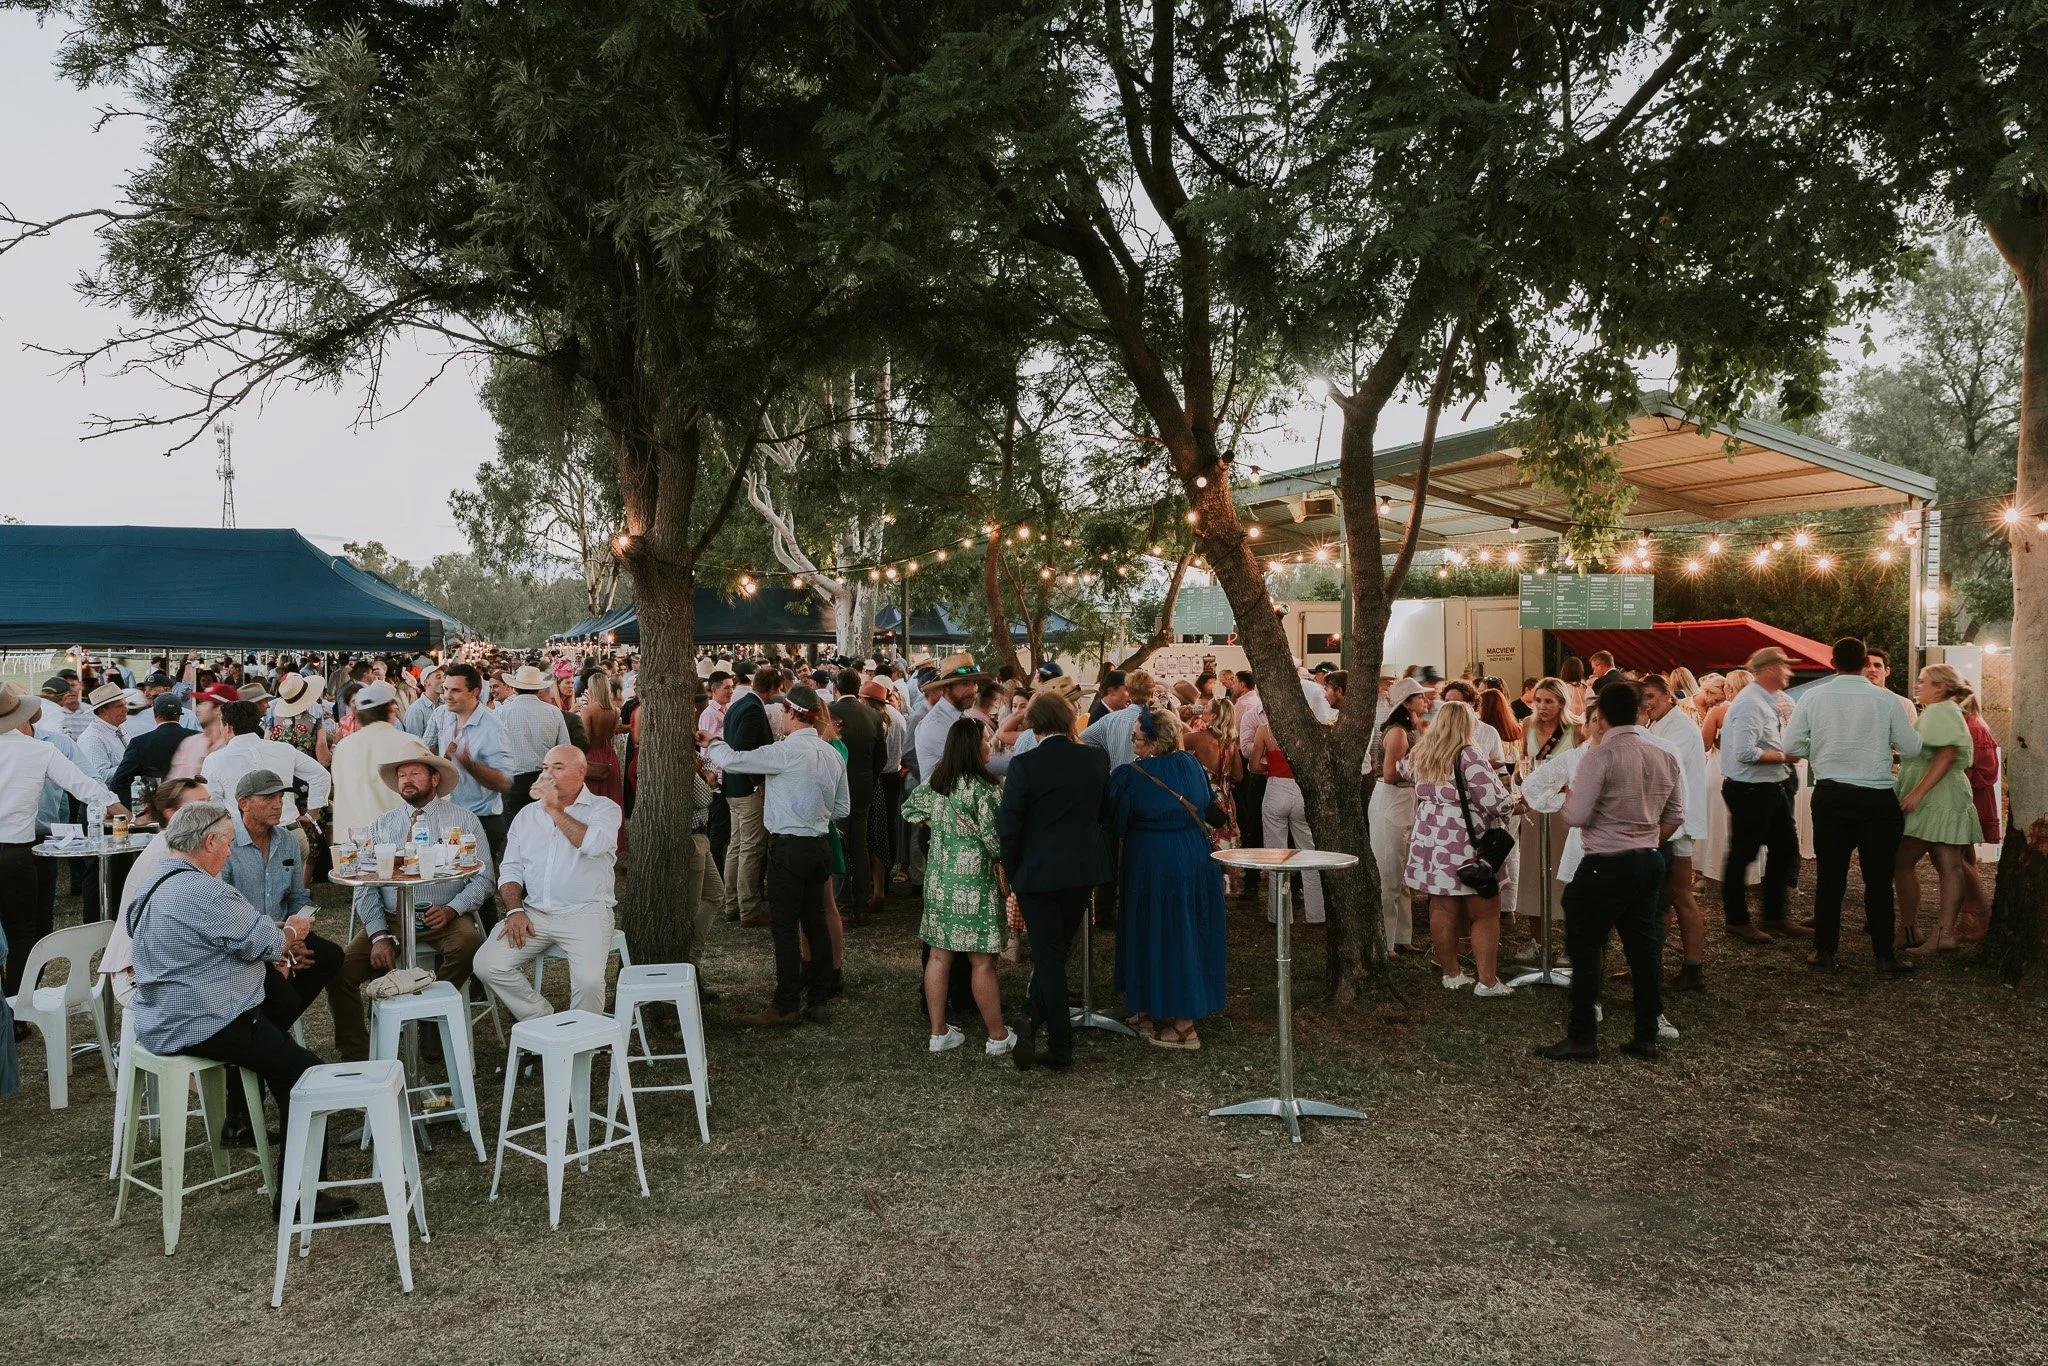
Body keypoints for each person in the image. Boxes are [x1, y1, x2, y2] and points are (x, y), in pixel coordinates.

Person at [125, 802, 350, 1217]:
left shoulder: (154, 881)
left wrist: (270, 939)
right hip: (205, 1020)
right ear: (209, 841)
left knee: (282, 1055)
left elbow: (216, 940)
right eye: (228, 843)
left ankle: (287, 1175)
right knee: (308, 1075)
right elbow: (267, 942)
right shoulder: (204, 891)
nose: (230, 852)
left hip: (159, 1016)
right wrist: (292, 930)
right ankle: (300, 1198)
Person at [1537, 682, 1685, 1063]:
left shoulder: (1599, 756)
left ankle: (1582, 1036)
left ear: (1600, 716)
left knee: (1586, 947)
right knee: (1644, 948)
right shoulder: (1663, 754)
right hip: (1648, 859)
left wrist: (1567, 795)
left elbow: (1576, 815)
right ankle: (1646, 1034)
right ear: (1640, 712)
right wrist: (1646, 838)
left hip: (1605, 862)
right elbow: (1676, 814)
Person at [332, 742, 492, 1058]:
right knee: (340, 971)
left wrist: (453, 909)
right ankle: (358, 1054)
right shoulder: (382, 824)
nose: (407, 779)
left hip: (442, 915)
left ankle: (430, 1019)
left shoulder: (463, 820)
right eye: (402, 774)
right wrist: (378, 935)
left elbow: (485, 879)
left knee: (468, 945)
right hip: (392, 918)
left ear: (435, 779)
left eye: (415, 773)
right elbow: (365, 885)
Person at [707, 686, 850, 1026]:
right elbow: (842, 807)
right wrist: (811, 810)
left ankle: (786, 1004)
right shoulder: (831, 754)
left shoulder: (784, 752)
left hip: (790, 846)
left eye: (783, 713)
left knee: (785, 927)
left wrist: (711, 743)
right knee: (815, 921)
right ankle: (818, 998)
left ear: (792, 714)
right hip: (819, 844)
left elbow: (733, 760)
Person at [1779, 637, 1923, 975]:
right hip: (1877, 796)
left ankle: (1824, 950)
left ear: (1832, 663)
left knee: (1830, 876)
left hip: (1831, 793)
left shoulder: (1813, 697)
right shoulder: (1886, 699)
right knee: (1879, 879)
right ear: (1863, 664)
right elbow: (1912, 748)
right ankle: (1884, 956)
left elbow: (1791, 746)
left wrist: (1825, 750)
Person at [997, 690, 1111, 1072]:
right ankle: (1032, 1017)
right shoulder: (1095, 758)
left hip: (1037, 872)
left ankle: (1060, 1045)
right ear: (1067, 720)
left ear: (1033, 725)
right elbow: (1103, 813)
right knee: (1055, 953)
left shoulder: (1025, 765)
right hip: (1080, 871)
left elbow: (1009, 826)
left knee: (1049, 957)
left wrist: (1012, 872)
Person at [472, 745, 623, 1021]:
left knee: (589, 983)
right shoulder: (527, 815)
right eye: (544, 768)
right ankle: (542, 1020)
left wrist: (554, 808)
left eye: (558, 767)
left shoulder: (604, 809)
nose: (547, 774)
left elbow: (592, 844)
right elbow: (510, 869)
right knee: (487, 964)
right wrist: (515, 910)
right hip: (536, 914)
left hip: (586, 912)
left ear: (581, 772)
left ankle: (581, 1039)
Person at [1110, 707, 1227, 1048]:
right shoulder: (1191, 764)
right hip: (1195, 856)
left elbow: (1115, 822)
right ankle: (1151, 1008)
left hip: (1153, 861)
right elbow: (1207, 803)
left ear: (1152, 743)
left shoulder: (1130, 775)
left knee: (1156, 931)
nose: (1132, 742)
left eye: (1136, 737)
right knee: (1186, 930)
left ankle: (1183, 1027)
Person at [0, 683, 124, 994]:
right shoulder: (38, 750)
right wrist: (122, 811)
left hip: (19, 850)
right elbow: (84, 786)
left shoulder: (39, 749)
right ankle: (16, 1006)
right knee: (23, 934)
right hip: (15, 853)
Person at [902, 718, 1014, 1056]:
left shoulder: (938, 782)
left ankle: (938, 1032)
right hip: (976, 883)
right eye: (985, 739)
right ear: (972, 746)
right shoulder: (987, 790)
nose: (989, 744)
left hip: (939, 880)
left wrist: (938, 826)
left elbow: (909, 808)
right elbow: (995, 843)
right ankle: (997, 1035)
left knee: (939, 956)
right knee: (982, 962)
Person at [219, 769, 345, 1050]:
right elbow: (225, 912)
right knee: (281, 990)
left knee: (330, 956)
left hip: (284, 933)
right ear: (243, 803)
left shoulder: (287, 841)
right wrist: (281, 945)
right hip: (244, 940)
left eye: (280, 797)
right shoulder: (226, 844)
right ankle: (268, 1035)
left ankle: (266, 1032)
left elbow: (300, 898)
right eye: (268, 799)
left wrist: (296, 937)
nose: (278, 805)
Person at [1401, 700, 1515, 995]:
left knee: (1442, 907)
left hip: (1431, 837)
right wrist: (1515, 803)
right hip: (1466, 839)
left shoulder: (1422, 752)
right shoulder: (1468, 754)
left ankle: (1451, 973)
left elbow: (1401, 771)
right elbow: (1493, 800)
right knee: (1485, 911)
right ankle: (1487, 981)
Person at [1893, 665, 1985, 955]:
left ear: (1941, 687)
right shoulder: (1946, 710)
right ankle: (1942, 934)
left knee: (1903, 861)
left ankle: (1914, 929)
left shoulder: (1941, 711)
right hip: (1945, 794)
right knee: (1949, 864)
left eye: (1923, 681)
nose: (1917, 685)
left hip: (1936, 797)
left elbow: (1947, 754)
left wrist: (1917, 793)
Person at [1717, 648, 1804, 943]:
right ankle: (1737, 920)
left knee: (1785, 849)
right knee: (1742, 855)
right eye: (1785, 667)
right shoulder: (1750, 703)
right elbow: (1744, 752)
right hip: (1751, 789)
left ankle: (1774, 915)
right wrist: (1784, 757)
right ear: (1771, 669)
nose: (1790, 672)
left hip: (1770, 786)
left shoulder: (1764, 699)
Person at [1639, 674, 1714, 989]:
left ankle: (1693, 968)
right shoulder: (1658, 724)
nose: (1647, 703)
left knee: (1679, 894)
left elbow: (1662, 769)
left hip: (1678, 824)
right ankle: (1649, 963)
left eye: (1652, 696)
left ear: (1668, 695)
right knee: (1662, 897)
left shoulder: (1680, 727)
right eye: (1643, 698)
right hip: (1667, 819)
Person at [202, 699, 332, 834]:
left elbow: (212, 804)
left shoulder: (214, 760)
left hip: (243, 837)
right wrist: (311, 815)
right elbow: (321, 775)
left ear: (228, 727)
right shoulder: (284, 749)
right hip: (289, 830)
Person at [432, 663, 515, 870]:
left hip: (482, 822)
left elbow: (504, 783)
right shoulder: (447, 717)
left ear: (474, 692)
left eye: (455, 690)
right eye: (445, 689)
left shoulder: (492, 727)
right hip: (451, 817)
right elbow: (446, 757)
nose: (447, 696)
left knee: (480, 882)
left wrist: (469, 764)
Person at [1369, 678, 1428, 952]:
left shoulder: (1410, 730)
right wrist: (1423, 774)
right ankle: (1386, 941)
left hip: (1405, 800)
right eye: (1420, 697)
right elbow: (1390, 773)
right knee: (1389, 870)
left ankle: (1402, 937)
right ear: (1407, 703)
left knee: (1403, 873)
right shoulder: (1397, 733)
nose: (1425, 701)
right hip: (1392, 799)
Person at [720, 664, 779, 927]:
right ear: (772, 688)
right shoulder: (753, 709)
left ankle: (732, 903)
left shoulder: (737, 705)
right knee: (751, 848)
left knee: (737, 845)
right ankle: (749, 908)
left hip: (733, 785)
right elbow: (744, 750)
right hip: (746, 788)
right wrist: (759, 782)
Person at [1249, 715, 1323, 924]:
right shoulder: (1308, 726)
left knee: (1276, 854)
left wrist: (1271, 768)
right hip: (1299, 788)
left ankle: (1280, 914)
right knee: (1308, 850)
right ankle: (1317, 912)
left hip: (1276, 787)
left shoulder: (1264, 730)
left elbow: (1253, 766)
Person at [329, 680, 422, 840]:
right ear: (391, 709)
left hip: (350, 841)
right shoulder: (409, 743)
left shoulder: (343, 747)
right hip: (397, 840)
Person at [829, 668, 887, 919]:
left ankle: (843, 905)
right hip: (863, 786)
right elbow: (881, 756)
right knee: (860, 845)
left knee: (840, 844)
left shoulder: (829, 712)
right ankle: (861, 904)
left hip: (837, 788)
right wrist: (869, 777)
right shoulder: (873, 715)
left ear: (836, 688)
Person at [491, 664, 572, 826]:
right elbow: (565, 750)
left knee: (515, 829)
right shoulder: (553, 712)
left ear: (515, 688)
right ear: (537, 689)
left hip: (513, 781)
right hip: (546, 779)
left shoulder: (500, 713)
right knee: (545, 827)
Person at [1081, 668, 1155, 770]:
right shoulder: (1158, 721)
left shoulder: (1108, 719)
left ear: (1129, 692)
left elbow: (1083, 739)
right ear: (1152, 693)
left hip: (1117, 776)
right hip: (1145, 776)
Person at [401, 666, 443, 737]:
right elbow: (415, 741)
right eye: (438, 677)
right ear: (426, 682)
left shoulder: (445, 705)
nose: (443, 680)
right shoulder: (416, 710)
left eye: (444, 677)